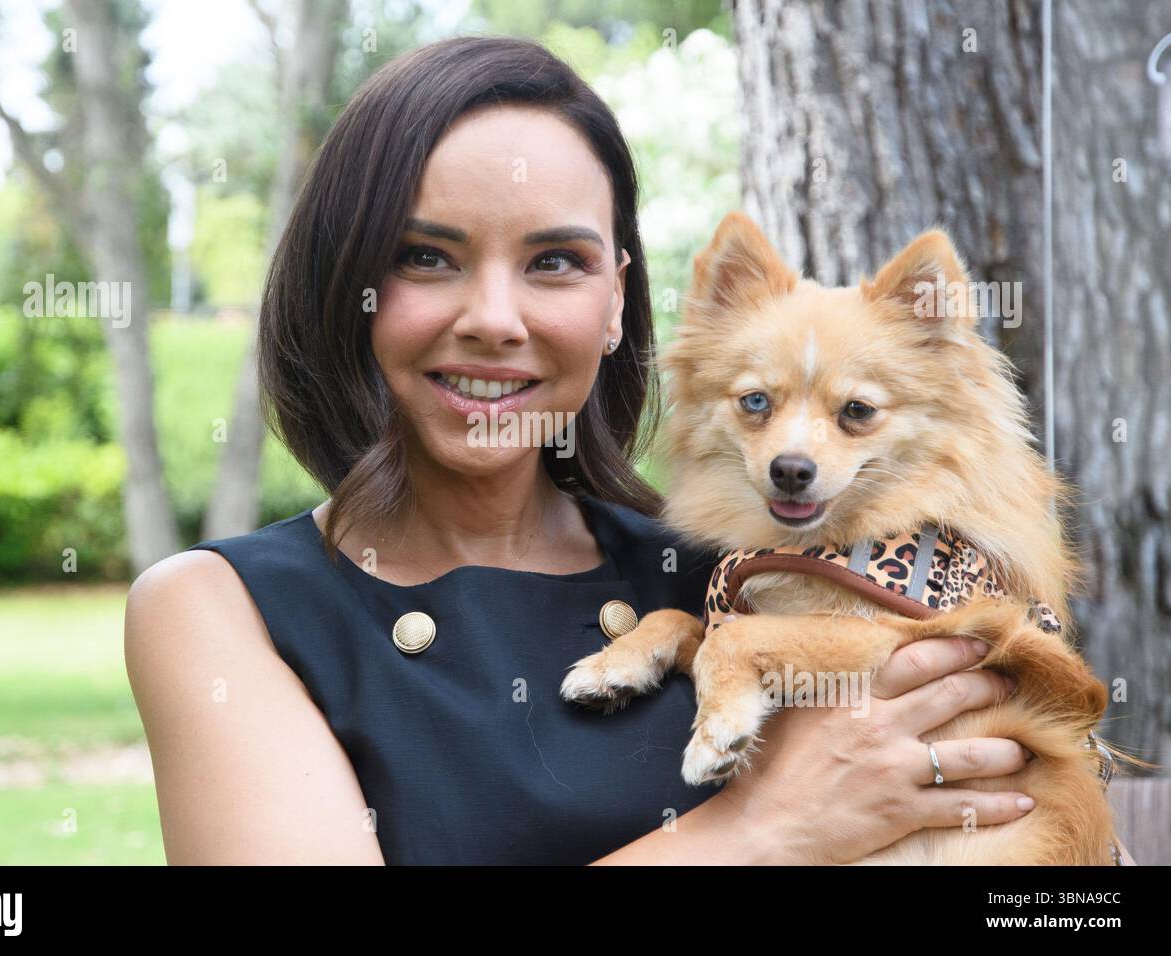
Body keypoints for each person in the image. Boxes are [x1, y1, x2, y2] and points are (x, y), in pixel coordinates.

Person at [124, 35, 1048, 865]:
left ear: (615, 305)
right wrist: (763, 832)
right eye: (427, 257)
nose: (493, 320)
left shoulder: (740, 570)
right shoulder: (227, 610)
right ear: (345, 284)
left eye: (554, 262)